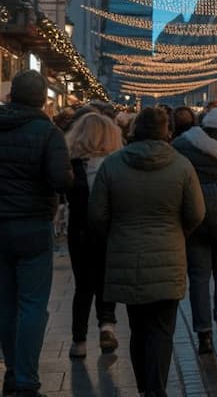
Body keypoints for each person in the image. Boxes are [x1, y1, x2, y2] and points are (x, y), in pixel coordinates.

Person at [89, 106, 204, 397]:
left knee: (138, 327)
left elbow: (97, 215)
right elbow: (196, 212)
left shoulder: (112, 165)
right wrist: (178, 233)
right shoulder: (181, 165)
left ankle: (145, 387)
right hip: (168, 256)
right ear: (167, 132)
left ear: (134, 130)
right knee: (162, 330)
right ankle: (155, 389)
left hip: (126, 255)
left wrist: (116, 235)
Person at [0, 70, 72, 397]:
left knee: (5, 302)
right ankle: (27, 380)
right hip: (32, 225)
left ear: (11, 94)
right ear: (43, 98)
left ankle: (12, 371)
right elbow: (59, 180)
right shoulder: (48, 132)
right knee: (32, 304)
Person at [173, 106, 217, 354]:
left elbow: (178, 174)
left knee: (199, 276)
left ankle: (203, 333)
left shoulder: (184, 143)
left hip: (197, 211)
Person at [64, 112, 123, 359]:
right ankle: (107, 325)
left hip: (78, 231)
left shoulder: (71, 165)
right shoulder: (115, 165)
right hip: (108, 230)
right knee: (106, 281)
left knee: (83, 286)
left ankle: (78, 341)